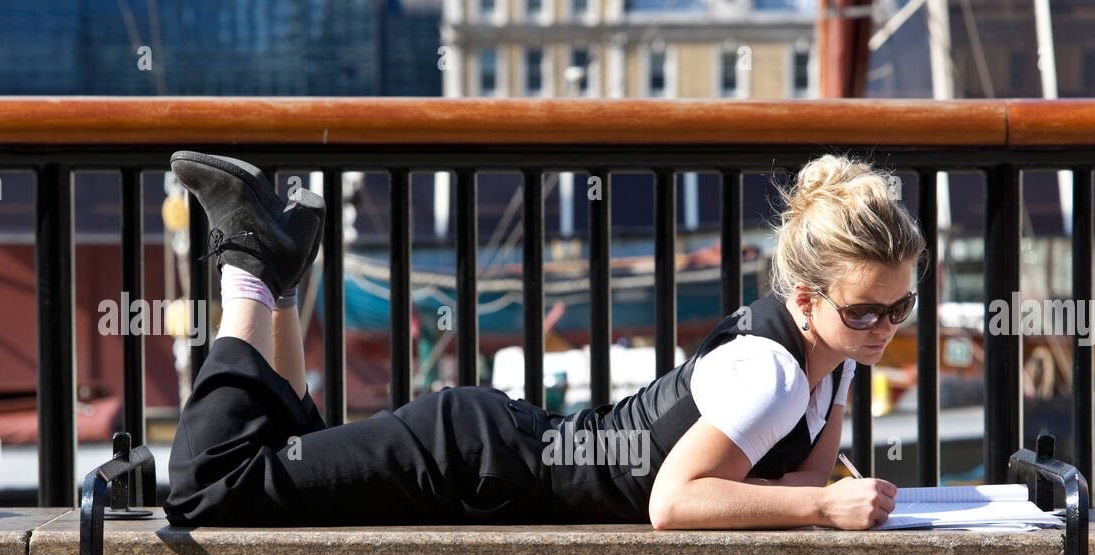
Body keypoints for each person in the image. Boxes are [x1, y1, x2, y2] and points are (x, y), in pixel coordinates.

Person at [163, 151, 924, 531]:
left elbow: (797, 483)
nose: (885, 328)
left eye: (901, 307)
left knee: (292, 466)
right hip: (470, 457)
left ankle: (285, 278)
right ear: (804, 296)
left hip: (502, 450)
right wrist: (824, 507)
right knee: (214, 489)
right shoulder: (776, 374)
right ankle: (250, 266)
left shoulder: (832, 362)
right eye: (865, 312)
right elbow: (673, 501)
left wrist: (826, 495)